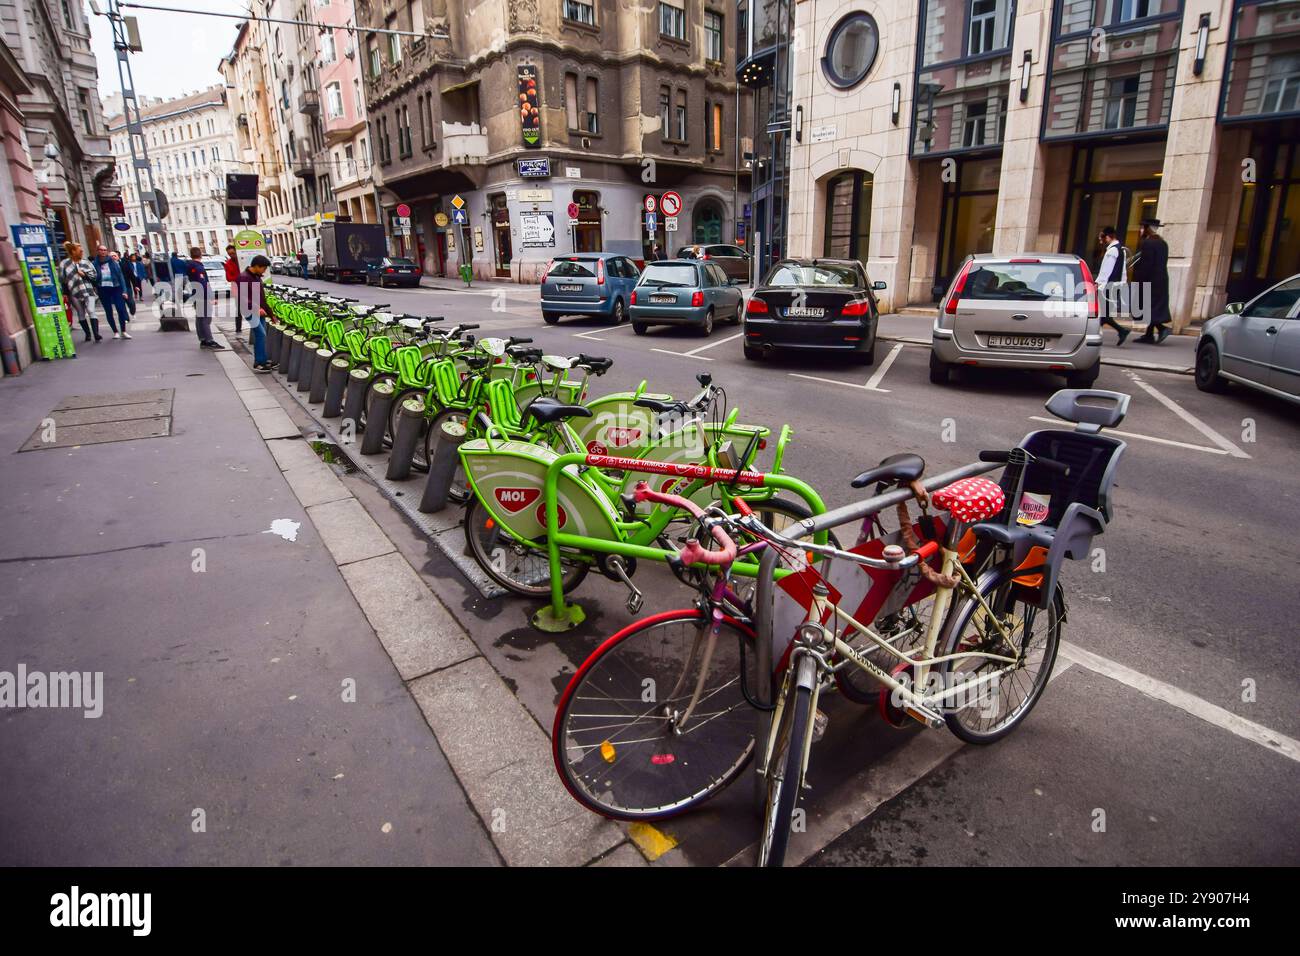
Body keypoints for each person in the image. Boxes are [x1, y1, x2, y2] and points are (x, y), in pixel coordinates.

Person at [1132, 217, 1171, 343]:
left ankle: (1162, 328)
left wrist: (1138, 279)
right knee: (1153, 306)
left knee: (1148, 306)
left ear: (1147, 229)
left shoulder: (1148, 243)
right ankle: (1149, 334)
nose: (1140, 230)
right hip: (1161, 280)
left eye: (1142, 227)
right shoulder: (1163, 243)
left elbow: (1146, 265)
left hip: (1150, 280)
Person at [234, 254, 275, 371]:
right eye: (264, 268)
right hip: (250, 311)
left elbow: (262, 298)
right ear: (257, 266)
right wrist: (256, 308)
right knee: (261, 334)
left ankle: (262, 360)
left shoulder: (256, 276)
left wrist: (271, 315)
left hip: (259, 311)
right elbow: (242, 298)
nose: (265, 271)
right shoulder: (243, 277)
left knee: (261, 335)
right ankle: (259, 362)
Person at [58, 241, 101, 342]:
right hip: (74, 292)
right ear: (73, 251)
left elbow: (95, 276)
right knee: (80, 313)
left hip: (88, 290)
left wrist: (85, 275)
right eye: (80, 251)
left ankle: (96, 334)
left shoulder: (86, 262)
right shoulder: (64, 264)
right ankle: (87, 334)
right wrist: (65, 293)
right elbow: (62, 280)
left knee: (91, 310)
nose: (82, 252)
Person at [182, 246, 222, 350]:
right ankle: (209, 340)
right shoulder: (198, 267)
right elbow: (203, 283)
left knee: (200, 318)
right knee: (206, 318)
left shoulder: (190, 265)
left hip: (196, 293)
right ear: (200, 254)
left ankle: (203, 339)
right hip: (202, 295)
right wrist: (210, 297)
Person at [1094, 226, 1128, 346]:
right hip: (1116, 285)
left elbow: (1106, 271)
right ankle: (1094, 334)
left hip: (1108, 286)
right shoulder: (1121, 249)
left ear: (1108, 237)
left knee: (1103, 314)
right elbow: (1123, 270)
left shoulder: (1112, 251)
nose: (1100, 241)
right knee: (1103, 314)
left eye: (1101, 238)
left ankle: (1122, 330)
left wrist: (1098, 284)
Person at [91, 244, 132, 339]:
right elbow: (93, 277)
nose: (103, 251)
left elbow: (120, 276)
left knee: (121, 309)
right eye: (101, 250)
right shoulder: (94, 264)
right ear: (98, 251)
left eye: (105, 250)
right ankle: (115, 331)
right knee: (108, 311)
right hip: (103, 289)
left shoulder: (113, 262)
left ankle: (123, 331)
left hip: (116, 288)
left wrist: (124, 291)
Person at [223, 244, 242, 333]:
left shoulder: (242, 260)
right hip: (237, 289)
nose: (231, 255)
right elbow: (229, 278)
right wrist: (240, 277)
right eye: (229, 254)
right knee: (238, 310)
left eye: (233, 253)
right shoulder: (228, 264)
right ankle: (238, 329)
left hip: (249, 287)